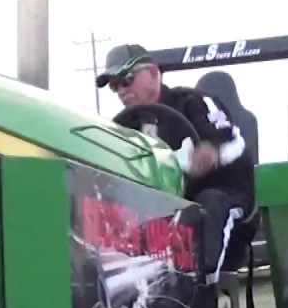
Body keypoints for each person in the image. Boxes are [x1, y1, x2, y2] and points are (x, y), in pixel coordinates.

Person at [96, 44, 255, 283]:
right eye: (114, 86)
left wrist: (212, 153)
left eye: (127, 79)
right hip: (164, 205)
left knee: (205, 205)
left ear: (153, 73)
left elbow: (235, 143)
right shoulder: (124, 127)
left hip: (220, 194)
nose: (121, 91)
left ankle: (202, 287)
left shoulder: (194, 102)